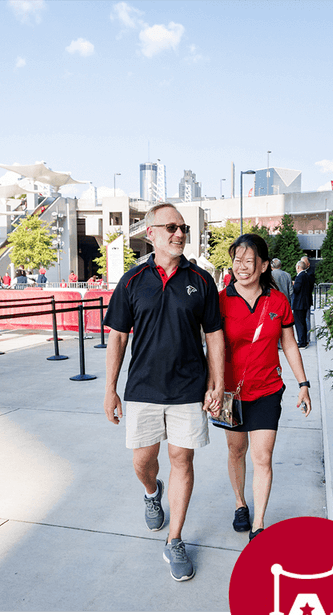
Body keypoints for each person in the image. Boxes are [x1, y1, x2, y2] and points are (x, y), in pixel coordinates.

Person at [103, 202, 224, 582]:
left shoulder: (202, 281)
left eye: (183, 227)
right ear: (151, 233)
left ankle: (175, 540)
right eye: (170, 227)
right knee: (143, 461)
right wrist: (110, 389)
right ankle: (151, 491)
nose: (179, 233)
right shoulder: (132, 281)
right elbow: (118, 337)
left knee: (182, 461)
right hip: (143, 389)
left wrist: (215, 383)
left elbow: (215, 336)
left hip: (188, 389)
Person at [219, 233, 312, 541]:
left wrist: (303, 383)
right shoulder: (220, 301)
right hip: (231, 394)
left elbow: (289, 344)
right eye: (237, 261)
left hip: (267, 389)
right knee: (236, 450)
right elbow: (211, 347)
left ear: (262, 265)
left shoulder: (277, 300)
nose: (242, 267)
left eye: (249, 261)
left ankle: (258, 523)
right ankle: (240, 503)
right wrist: (211, 386)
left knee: (263, 456)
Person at [292, 260, 312, 349]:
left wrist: (293, 284)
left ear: (299, 267)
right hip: (305, 303)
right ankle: (303, 340)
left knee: (299, 323)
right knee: (303, 322)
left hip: (299, 304)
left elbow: (296, 289)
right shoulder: (307, 275)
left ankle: (301, 342)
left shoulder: (300, 277)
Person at [300, 255, 316, 342]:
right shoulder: (303, 273)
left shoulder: (309, 273)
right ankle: (303, 338)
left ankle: (307, 338)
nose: (302, 264)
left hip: (306, 300)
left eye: (304, 263)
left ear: (308, 264)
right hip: (302, 300)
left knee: (307, 319)